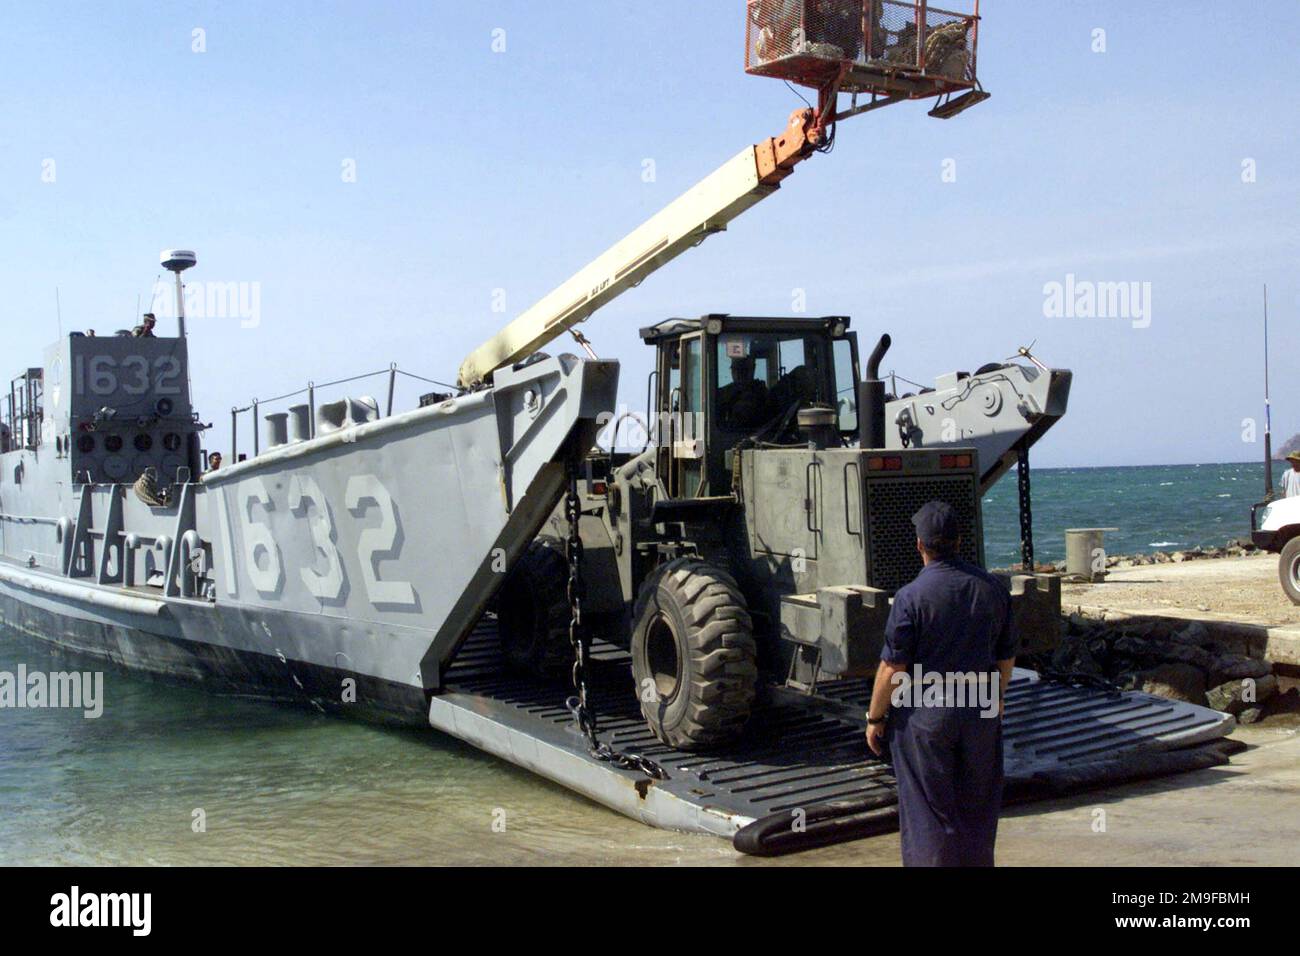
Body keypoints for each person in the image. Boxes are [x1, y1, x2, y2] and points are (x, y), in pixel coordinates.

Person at [865, 500, 1016, 866]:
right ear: (960, 541)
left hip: (927, 716)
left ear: (919, 544)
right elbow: (1006, 656)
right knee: (978, 811)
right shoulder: (992, 589)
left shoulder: (910, 597)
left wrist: (875, 718)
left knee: (928, 814)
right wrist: (995, 698)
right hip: (980, 708)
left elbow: (892, 668)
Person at [718, 355, 769, 428]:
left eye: (744, 370)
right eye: (735, 370)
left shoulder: (762, 394)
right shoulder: (722, 394)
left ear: (753, 369)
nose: (738, 374)